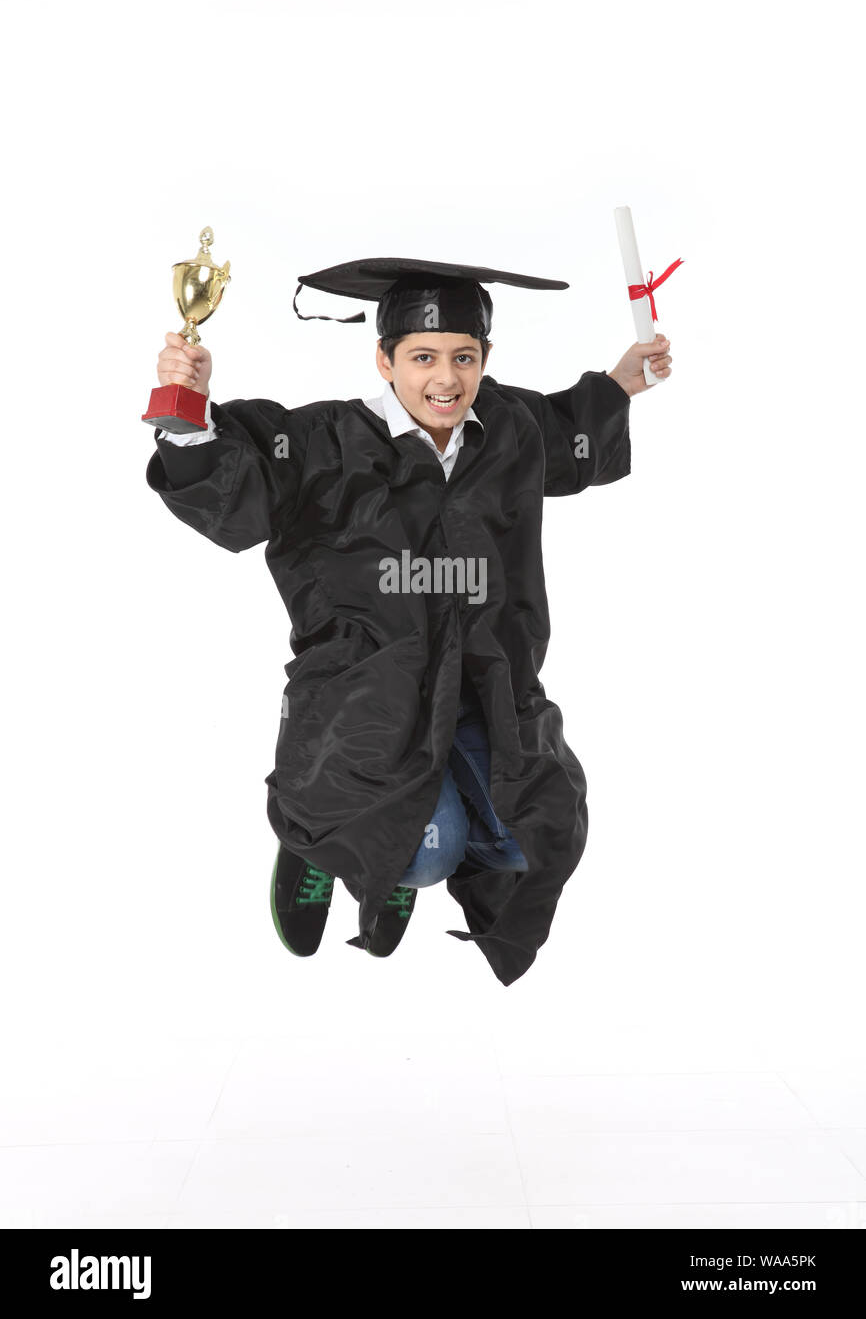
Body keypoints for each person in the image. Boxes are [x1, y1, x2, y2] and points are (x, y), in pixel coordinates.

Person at [145, 256, 672, 986]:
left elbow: (567, 435)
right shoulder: (328, 444)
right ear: (385, 361)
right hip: (368, 694)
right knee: (423, 851)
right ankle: (313, 842)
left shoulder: (509, 428)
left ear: (486, 360)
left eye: (464, 357)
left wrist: (622, 382)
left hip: (486, 685)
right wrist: (187, 413)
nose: (445, 379)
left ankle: (386, 847)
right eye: (423, 358)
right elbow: (240, 489)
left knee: (538, 833)